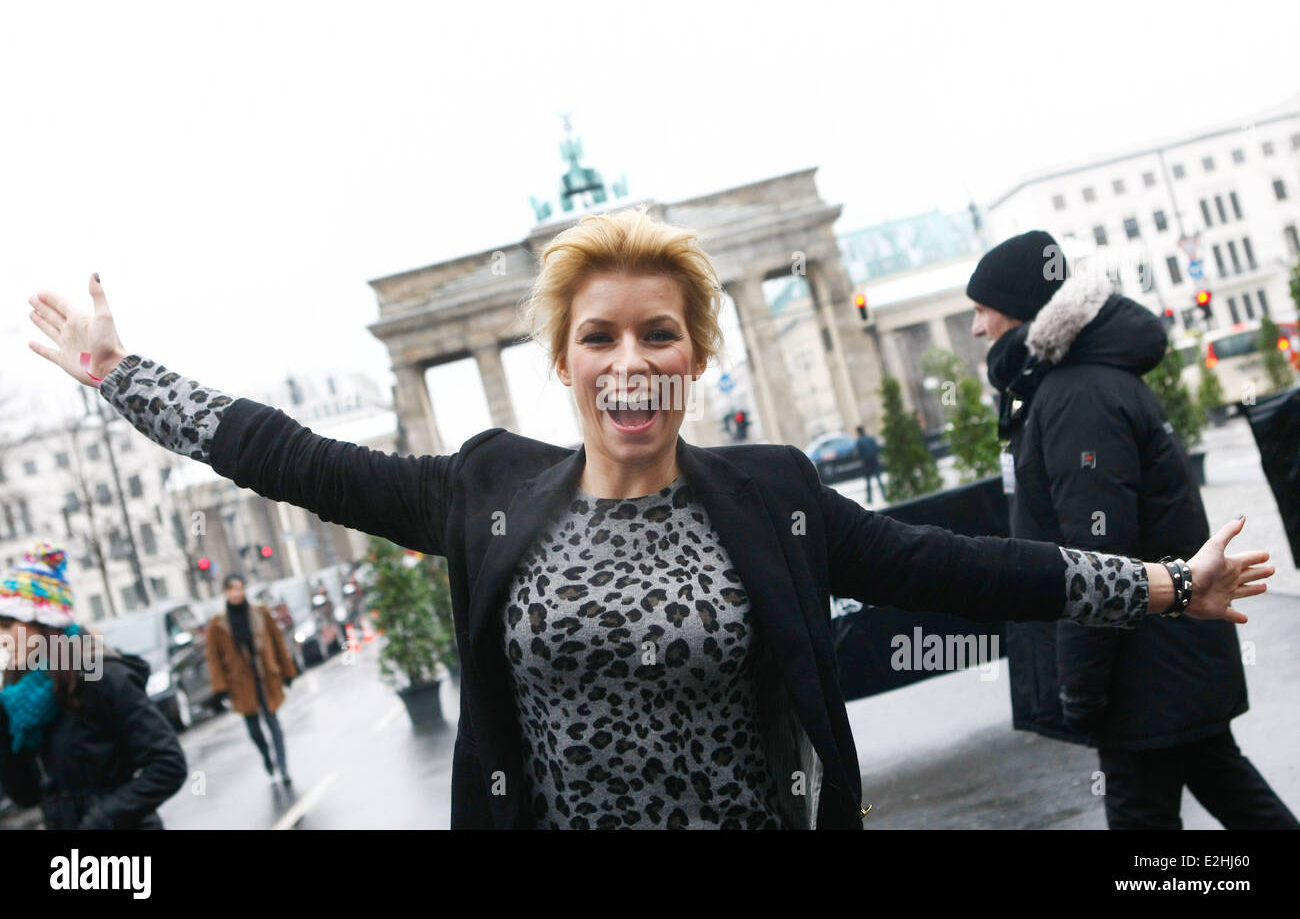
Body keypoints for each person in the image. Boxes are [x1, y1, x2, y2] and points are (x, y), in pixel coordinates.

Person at [27, 210, 1272, 830]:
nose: (630, 358)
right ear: (565, 363)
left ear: (693, 358)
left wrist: (1165, 583)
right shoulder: (486, 490)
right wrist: (122, 373)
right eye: (600, 335)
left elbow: (958, 566)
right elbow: (292, 456)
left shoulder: (771, 494)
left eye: (659, 332)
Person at [969, 229, 1298, 830]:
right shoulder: (1079, 383)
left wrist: (1083, 682)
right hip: (1159, 652)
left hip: (1141, 663)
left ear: (1017, 309)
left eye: (982, 309)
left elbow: (1096, 554)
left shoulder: (1076, 395)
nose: (975, 327)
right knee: (1222, 785)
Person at [0, 542, 187, 828]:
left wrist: (101, 819)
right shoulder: (19, 694)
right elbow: (26, 795)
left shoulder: (99, 673)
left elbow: (168, 765)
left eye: (7, 624)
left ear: (44, 621)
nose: (2, 638)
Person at [206, 573, 298, 787]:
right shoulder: (218, 623)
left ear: (244, 589)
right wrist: (220, 688)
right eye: (231, 589)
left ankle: (283, 767)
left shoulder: (260, 612)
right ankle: (267, 756)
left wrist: (287, 671)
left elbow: (277, 642)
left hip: (265, 677)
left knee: (274, 723)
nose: (236, 593)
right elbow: (214, 658)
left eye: (239, 588)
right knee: (254, 731)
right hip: (241, 684)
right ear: (226, 593)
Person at [853, 425, 886, 505]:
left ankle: (870, 498)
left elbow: (857, 454)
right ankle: (884, 495)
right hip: (874, 461)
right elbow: (877, 448)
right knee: (879, 479)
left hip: (866, 463)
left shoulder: (859, 441)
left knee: (868, 482)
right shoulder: (871, 438)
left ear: (858, 432)